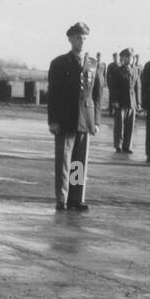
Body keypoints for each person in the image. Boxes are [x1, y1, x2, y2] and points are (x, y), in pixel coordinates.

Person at [47, 22, 103, 212]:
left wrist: (95, 121)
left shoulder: (94, 65)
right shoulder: (59, 63)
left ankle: (75, 198)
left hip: (84, 119)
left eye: (84, 38)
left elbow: (97, 95)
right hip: (64, 119)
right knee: (64, 161)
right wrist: (53, 120)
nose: (81, 41)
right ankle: (61, 199)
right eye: (78, 38)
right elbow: (53, 94)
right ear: (70, 39)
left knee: (78, 162)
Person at [107, 48, 140, 154]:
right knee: (119, 125)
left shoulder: (135, 70)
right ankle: (118, 145)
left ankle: (127, 146)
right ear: (124, 58)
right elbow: (113, 87)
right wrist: (114, 101)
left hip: (131, 101)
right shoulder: (117, 70)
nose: (131, 59)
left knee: (130, 125)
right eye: (129, 57)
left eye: (132, 57)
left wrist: (138, 102)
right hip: (120, 101)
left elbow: (137, 87)